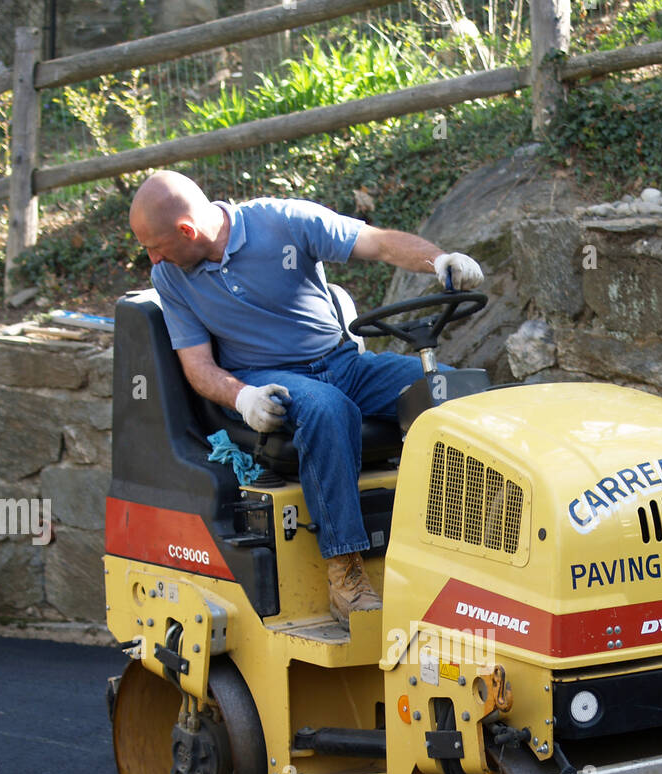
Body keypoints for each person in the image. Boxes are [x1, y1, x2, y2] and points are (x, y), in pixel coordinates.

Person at [128, 171, 484, 628]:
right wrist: (244, 398)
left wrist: (439, 260)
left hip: (344, 363)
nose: (152, 258)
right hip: (271, 377)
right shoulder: (172, 278)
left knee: (456, 393)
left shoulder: (283, 222)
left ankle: (464, 549)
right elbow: (198, 369)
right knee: (327, 408)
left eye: (154, 246)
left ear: (186, 231)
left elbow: (374, 242)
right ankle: (346, 574)